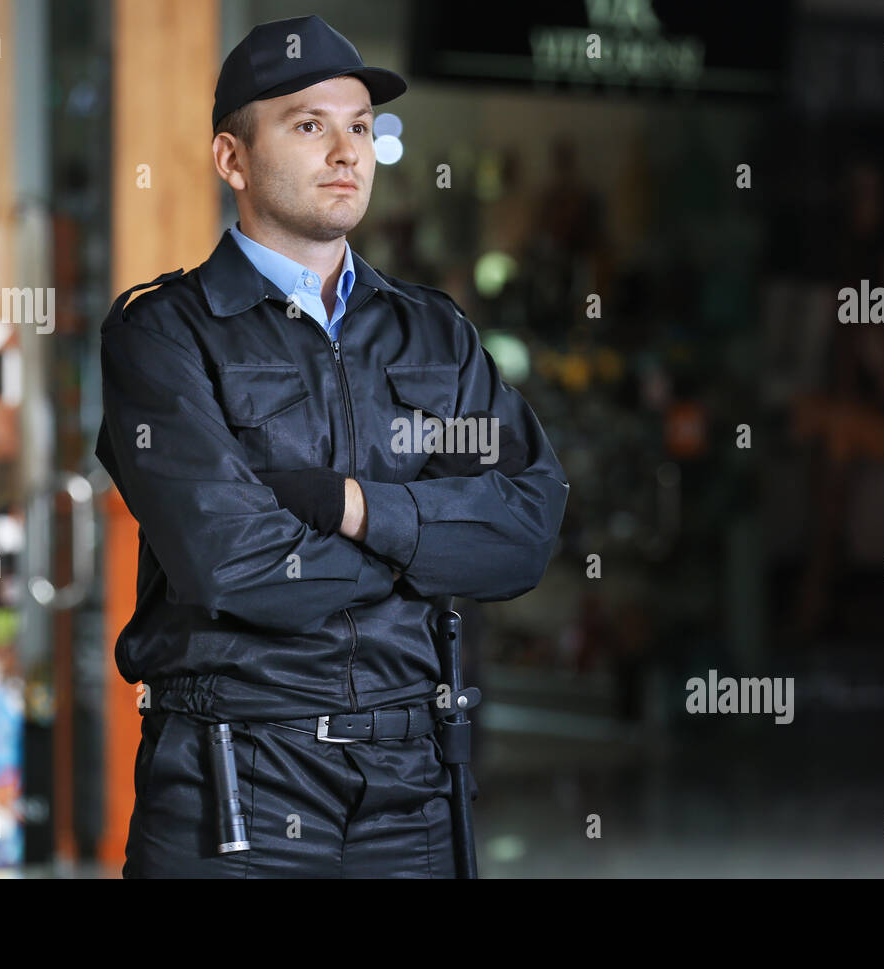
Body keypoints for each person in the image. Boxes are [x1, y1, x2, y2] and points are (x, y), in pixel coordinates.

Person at [95, 15, 568, 878]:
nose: (347, 150)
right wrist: (431, 545)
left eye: (359, 125)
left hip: (413, 785)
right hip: (234, 781)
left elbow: (528, 528)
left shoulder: (434, 332)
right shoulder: (165, 335)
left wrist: (351, 506)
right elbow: (230, 564)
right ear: (231, 159)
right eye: (309, 125)